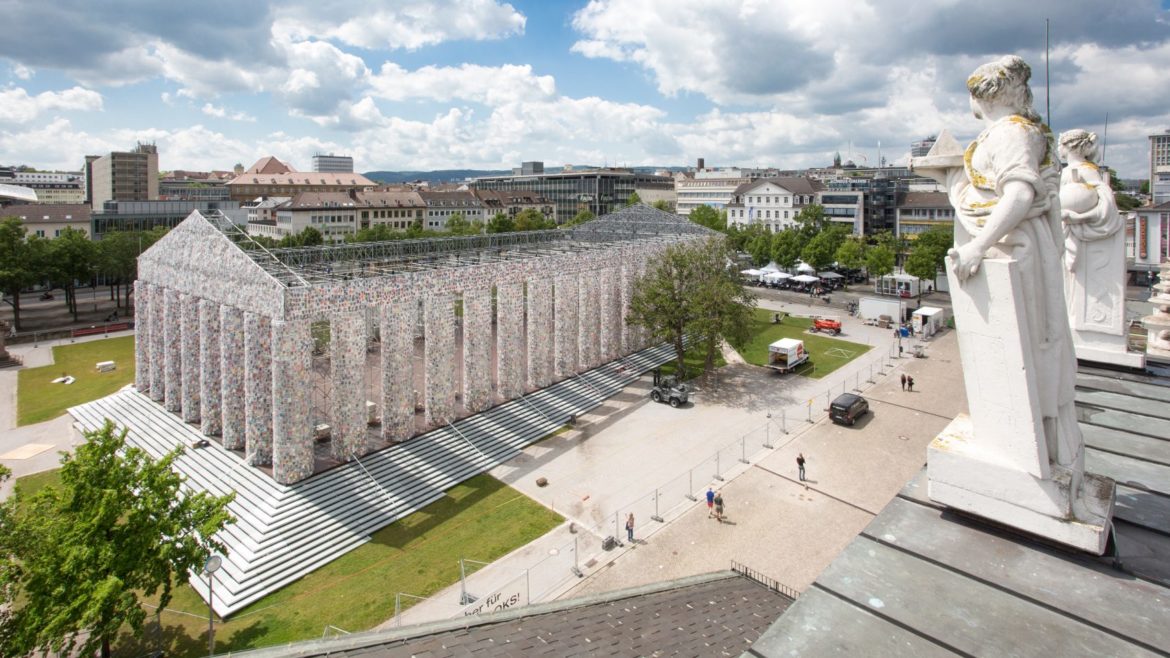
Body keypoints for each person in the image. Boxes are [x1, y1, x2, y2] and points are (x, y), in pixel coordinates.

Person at [945, 55, 1082, 477]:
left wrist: (977, 247)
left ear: (980, 97)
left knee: (1020, 343)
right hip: (1009, 248)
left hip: (1010, 251)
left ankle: (1023, 440)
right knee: (1013, 347)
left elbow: (1020, 195)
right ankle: (1020, 433)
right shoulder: (1009, 133)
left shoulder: (1012, 133)